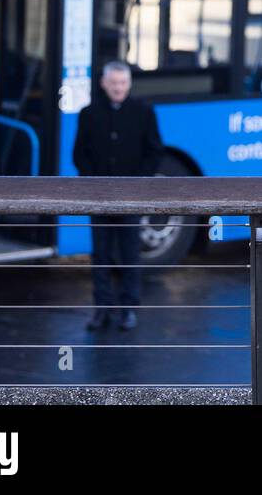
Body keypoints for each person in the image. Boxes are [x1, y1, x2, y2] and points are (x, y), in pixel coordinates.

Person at [72, 61, 163, 332]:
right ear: (103, 83)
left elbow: (154, 151)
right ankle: (101, 309)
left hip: (131, 197)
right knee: (100, 255)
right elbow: (79, 153)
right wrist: (95, 183)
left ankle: (128, 310)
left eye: (122, 83)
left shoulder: (144, 112)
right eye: (113, 83)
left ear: (129, 84)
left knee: (129, 254)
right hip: (98, 197)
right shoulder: (89, 113)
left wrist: (136, 184)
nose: (118, 88)